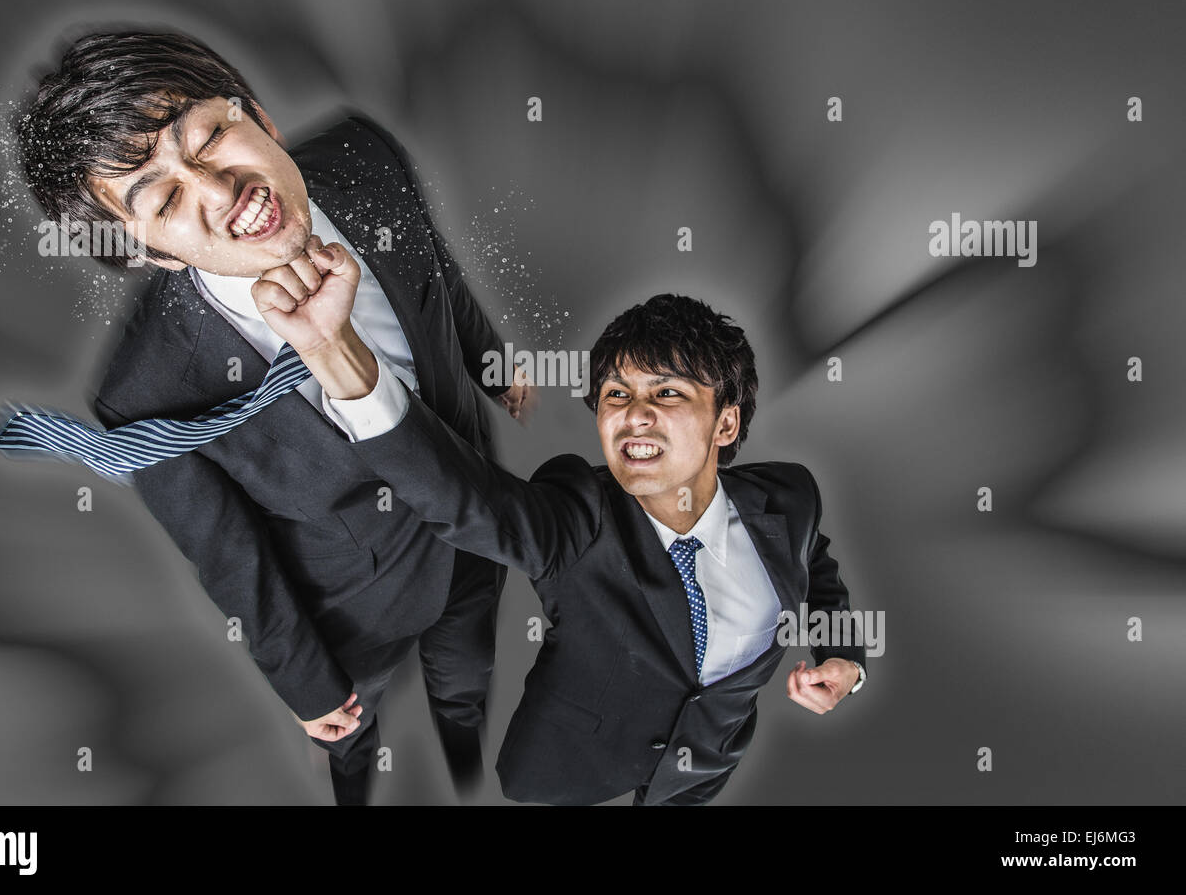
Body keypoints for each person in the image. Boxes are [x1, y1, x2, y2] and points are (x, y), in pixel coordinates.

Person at [13, 29, 535, 804]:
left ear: (256, 114)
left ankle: (465, 778)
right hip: (357, 605)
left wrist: (492, 364)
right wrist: (305, 681)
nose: (224, 194)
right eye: (163, 200)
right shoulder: (145, 393)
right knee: (352, 748)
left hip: (474, 513)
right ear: (149, 251)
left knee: (466, 686)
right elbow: (228, 555)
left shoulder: (366, 157)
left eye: (212, 136)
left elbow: (437, 268)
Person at [275, 241, 869, 805]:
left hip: (704, 766)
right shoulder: (578, 514)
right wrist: (333, 350)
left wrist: (845, 659)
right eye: (616, 394)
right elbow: (465, 500)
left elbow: (815, 569)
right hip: (568, 767)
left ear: (726, 426)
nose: (634, 415)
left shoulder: (789, 496)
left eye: (667, 393)